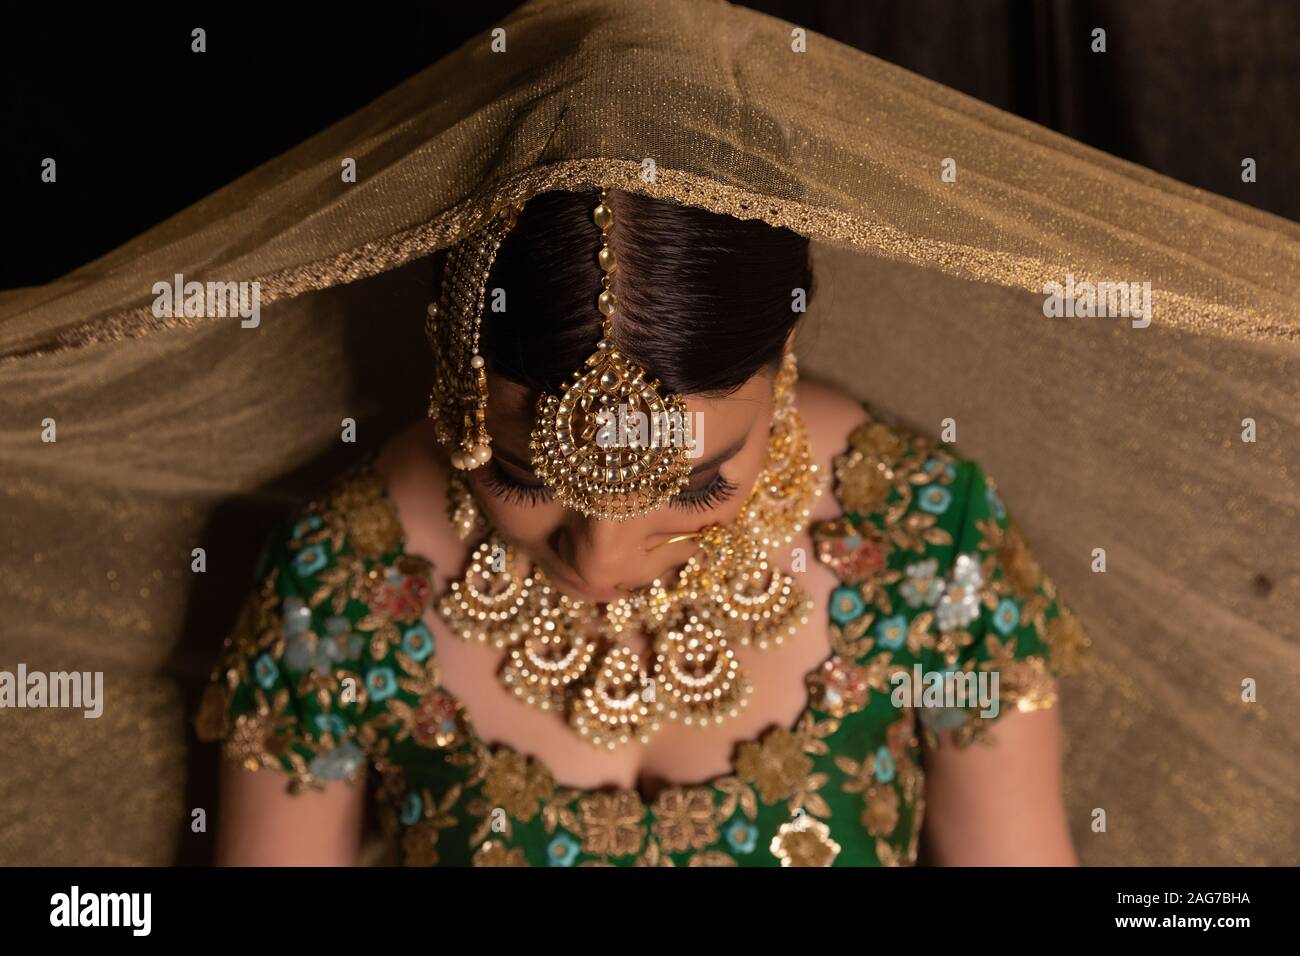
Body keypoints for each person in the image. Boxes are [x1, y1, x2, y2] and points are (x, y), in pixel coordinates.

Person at [197, 187, 1083, 867]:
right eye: (522, 476)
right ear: (455, 380)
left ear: (780, 367)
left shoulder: (920, 533)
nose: (603, 559)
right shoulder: (347, 581)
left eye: (697, 487)